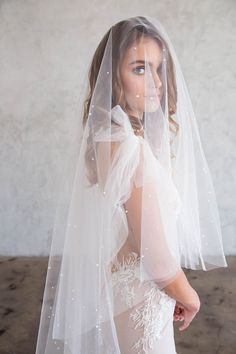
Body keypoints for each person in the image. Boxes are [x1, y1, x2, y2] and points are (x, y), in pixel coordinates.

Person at [35, 16, 228, 354]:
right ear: (112, 77)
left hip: (120, 293)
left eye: (157, 68)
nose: (155, 82)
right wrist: (188, 294)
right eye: (139, 68)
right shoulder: (130, 149)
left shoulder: (108, 140)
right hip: (142, 298)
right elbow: (152, 252)